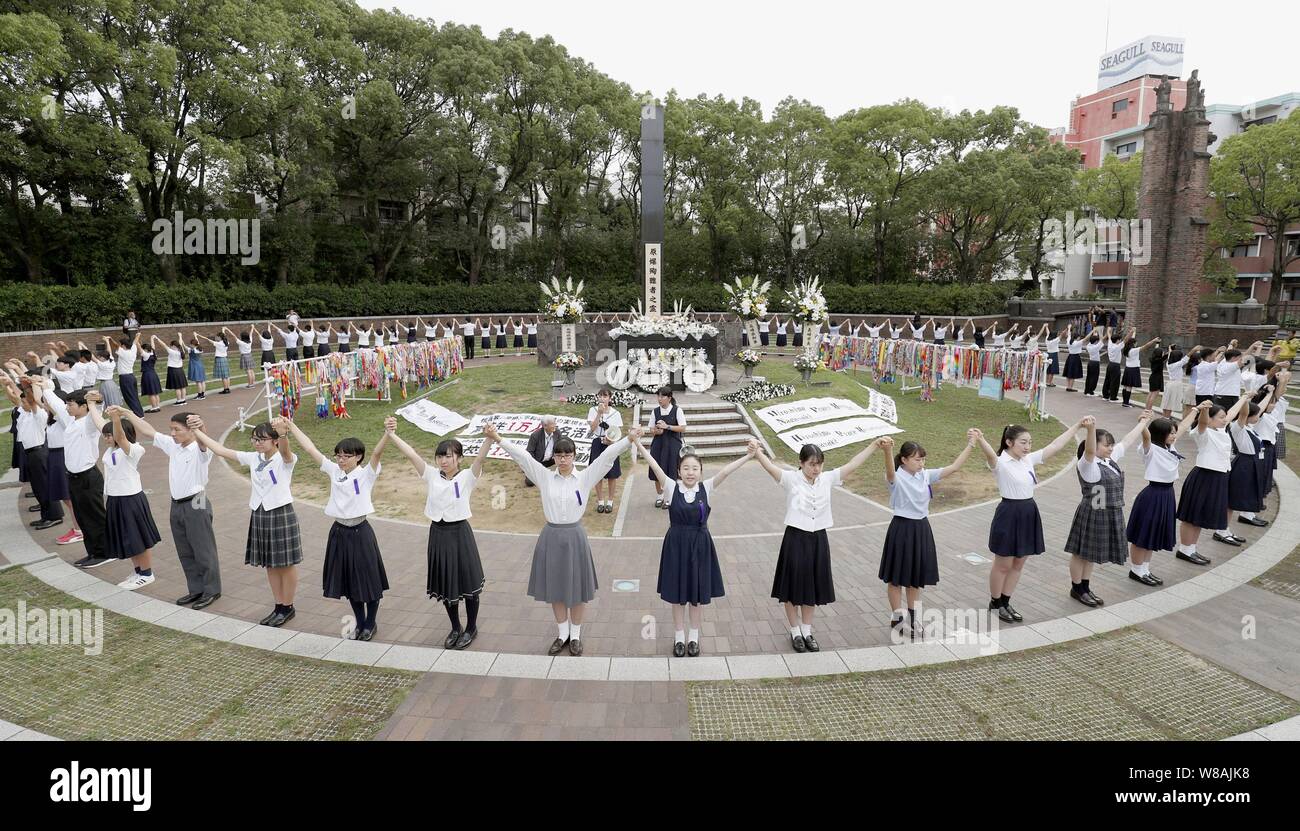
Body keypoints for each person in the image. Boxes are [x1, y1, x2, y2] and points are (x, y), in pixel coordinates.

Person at [487, 421, 641, 656]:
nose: (563, 459)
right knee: (555, 589)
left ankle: (576, 635)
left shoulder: (585, 477)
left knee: (577, 590)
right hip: (551, 536)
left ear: (573, 456)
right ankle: (562, 634)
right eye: (559, 455)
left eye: (567, 455)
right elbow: (523, 459)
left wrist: (628, 440)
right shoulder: (545, 477)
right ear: (555, 457)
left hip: (575, 537)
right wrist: (498, 438)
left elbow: (608, 456)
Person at [749, 436, 888, 652]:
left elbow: (852, 464)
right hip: (795, 538)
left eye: (819, 464)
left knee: (812, 587)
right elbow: (769, 466)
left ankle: (807, 630)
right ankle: (795, 631)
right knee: (791, 587)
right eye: (812, 464)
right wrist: (757, 450)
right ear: (802, 463)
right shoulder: (790, 479)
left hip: (818, 539)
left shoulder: (828, 479)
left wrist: (874, 445)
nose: (817, 468)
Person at [634, 436, 753, 657]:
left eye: (695, 468)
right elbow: (654, 464)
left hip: (700, 546)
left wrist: (748, 456)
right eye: (686, 468)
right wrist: (638, 443)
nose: (690, 472)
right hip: (676, 545)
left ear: (701, 471)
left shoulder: (706, 487)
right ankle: (679, 636)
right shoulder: (671, 487)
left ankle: (694, 637)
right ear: (678, 471)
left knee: (697, 595)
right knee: (678, 594)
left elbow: (726, 472)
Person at [281, 417, 391, 640]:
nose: (341, 460)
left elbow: (377, 454)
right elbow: (310, 447)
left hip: (361, 532)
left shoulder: (366, 474)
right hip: (339, 532)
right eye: (338, 455)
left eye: (346, 456)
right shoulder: (334, 471)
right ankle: (360, 623)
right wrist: (292, 427)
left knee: (369, 581)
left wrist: (388, 433)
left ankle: (370, 623)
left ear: (357, 457)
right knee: (350, 582)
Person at [387, 419, 492, 650]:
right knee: (447, 585)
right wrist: (392, 435)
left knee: (469, 584)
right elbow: (412, 454)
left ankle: (471, 627)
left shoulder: (467, 477)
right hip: (438, 534)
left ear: (459, 458)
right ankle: (455, 627)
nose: (444, 460)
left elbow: (480, 459)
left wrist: (488, 437)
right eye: (440, 456)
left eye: (449, 456)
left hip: (460, 534)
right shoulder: (432, 475)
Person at [190, 417, 303, 627]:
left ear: (274, 441)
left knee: (285, 564)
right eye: (255, 439)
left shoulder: (285, 459)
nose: (258, 443)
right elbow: (221, 450)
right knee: (270, 563)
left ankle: (288, 607)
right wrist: (197, 432)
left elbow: (286, 452)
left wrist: (283, 433)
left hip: (280, 513)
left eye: (263, 439)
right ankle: (278, 605)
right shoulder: (254, 458)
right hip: (259, 513)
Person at [973, 418, 1085, 624]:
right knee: (1003, 564)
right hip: (1009, 513)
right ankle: (995, 602)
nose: (1027, 446)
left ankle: (1006, 601)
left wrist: (1077, 426)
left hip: (1028, 511)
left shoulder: (1028, 459)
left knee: (1019, 562)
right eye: (1023, 442)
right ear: (1009, 442)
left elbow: (1055, 445)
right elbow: (989, 454)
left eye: (1030, 442)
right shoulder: (1000, 462)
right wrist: (980, 439)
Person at [880, 430, 981, 638]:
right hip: (901, 528)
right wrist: (888, 450)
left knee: (915, 579)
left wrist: (971, 444)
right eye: (917, 459)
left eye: (923, 459)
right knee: (896, 579)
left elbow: (954, 467)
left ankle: (914, 618)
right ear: (905, 459)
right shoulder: (896, 477)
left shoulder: (924, 475)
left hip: (921, 529)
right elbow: (890, 471)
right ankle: (897, 618)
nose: (921, 463)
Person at [119, 409, 223, 609]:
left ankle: (211, 590)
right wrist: (126, 413)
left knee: (203, 550)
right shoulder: (174, 446)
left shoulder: (201, 449)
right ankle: (196, 589)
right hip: (176, 504)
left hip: (196, 502)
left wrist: (200, 425)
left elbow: (203, 440)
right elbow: (148, 431)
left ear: (190, 430)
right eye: (171, 430)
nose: (172, 434)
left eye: (176, 429)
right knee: (185, 550)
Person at [1063, 413, 1149, 607]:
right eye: (1106, 445)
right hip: (1093, 511)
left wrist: (1143, 422)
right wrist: (1091, 429)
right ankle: (1077, 588)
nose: (1110, 448)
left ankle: (1085, 586)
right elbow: (1090, 450)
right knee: (1081, 553)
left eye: (1111, 444)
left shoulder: (1109, 460)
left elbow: (1127, 441)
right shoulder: (1087, 464)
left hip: (1109, 511)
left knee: (1091, 553)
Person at [36, 379, 112, 565]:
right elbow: (54, 402)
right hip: (74, 478)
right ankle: (93, 552)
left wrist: (96, 401)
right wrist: (44, 386)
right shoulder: (70, 420)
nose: (67, 407)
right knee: (83, 518)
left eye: (71, 404)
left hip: (88, 477)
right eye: (67, 404)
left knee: (95, 517)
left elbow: (97, 407)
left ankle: (105, 553)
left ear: (84, 407)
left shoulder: (89, 423)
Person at [1126, 407, 1200, 586]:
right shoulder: (1149, 449)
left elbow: (1182, 427)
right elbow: (1146, 437)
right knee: (1143, 533)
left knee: (1153, 533)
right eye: (1170, 433)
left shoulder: (1169, 447)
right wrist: (1142, 423)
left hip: (1167, 494)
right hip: (1153, 495)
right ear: (1160, 434)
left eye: (1174, 433)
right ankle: (1136, 570)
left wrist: (1196, 410)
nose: (1174, 436)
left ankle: (1145, 569)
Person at [1175, 395, 1252, 566]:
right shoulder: (1203, 433)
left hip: (1219, 477)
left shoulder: (1222, 430)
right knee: (1191, 515)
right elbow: (1202, 422)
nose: (1225, 420)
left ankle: (1191, 548)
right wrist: (1204, 410)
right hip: (1204, 476)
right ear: (1210, 419)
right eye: (1220, 417)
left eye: (1224, 417)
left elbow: (1231, 413)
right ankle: (1184, 549)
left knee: (1200, 515)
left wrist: (1244, 398)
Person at [99, 406, 162, 589]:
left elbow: (120, 438)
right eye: (105, 435)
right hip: (115, 498)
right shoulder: (111, 451)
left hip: (130, 499)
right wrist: (92, 406)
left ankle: (147, 573)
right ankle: (138, 571)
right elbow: (100, 425)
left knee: (138, 538)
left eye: (109, 435)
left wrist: (116, 418)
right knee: (128, 537)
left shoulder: (134, 450)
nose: (106, 438)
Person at [2, 375, 63, 531]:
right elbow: (18, 399)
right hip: (31, 453)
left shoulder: (39, 414)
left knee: (44, 486)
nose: (22, 403)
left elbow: (30, 400)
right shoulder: (24, 413)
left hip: (39, 453)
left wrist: (27, 387)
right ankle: (46, 515)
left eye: (25, 401)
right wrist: (10, 385)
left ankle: (54, 516)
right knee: (37, 487)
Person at [647, 386, 687, 508]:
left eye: (662, 396)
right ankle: (660, 496)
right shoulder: (655, 411)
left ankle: (669, 498)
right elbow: (651, 429)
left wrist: (667, 426)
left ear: (669, 398)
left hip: (673, 445)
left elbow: (683, 427)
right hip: (658, 445)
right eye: (658, 396)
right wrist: (656, 431)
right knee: (657, 470)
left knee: (671, 472)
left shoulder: (677, 410)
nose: (659, 399)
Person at [587, 388, 625, 514]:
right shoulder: (593, 410)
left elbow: (618, 431)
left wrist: (611, 440)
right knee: (597, 473)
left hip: (611, 444)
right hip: (598, 442)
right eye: (600, 396)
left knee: (612, 474)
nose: (602, 398)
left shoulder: (616, 413)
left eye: (605, 396)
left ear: (610, 398)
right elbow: (592, 428)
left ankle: (610, 501)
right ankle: (600, 500)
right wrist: (599, 413)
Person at [107, 332, 145, 416]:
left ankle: (138, 415)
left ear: (123, 345)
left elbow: (115, 345)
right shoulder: (132, 350)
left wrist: (110, 339)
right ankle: (139, 413)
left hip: (125, 378)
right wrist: (138, 335)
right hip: (131, 377)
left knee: (129, 397)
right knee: (134, 396)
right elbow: (135, 342)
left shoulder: (124, 353)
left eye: (121, 345)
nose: (120, 346)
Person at [1120, 331, 1159, 408]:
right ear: (1133, 344)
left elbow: (1134, 341)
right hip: (1133, 369)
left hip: (1128, 369)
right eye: (1136, 343)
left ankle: (1125, 402)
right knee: (1129, 386)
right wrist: (1154, 341)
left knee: (1125, 386)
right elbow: (1146, 346)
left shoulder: (1127, 350)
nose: (1136, 344)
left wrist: (1133, 332)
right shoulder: (1134, 350)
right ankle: (1126, 402)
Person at [523, 416, 559, 486]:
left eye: (555, 423)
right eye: (552, 424)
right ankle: (528, 470)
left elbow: (560, 445)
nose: (555, 425)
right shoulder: (535, 436)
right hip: (537, 462)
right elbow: (530, 452)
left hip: (551, 460)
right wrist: (535, 466)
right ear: (545, 426)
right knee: (529, 482)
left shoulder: (557, 432)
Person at [154, 335, 187, 405]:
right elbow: (180, 344)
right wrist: (180, 336)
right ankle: (183, 400)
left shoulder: (172, 352)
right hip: (180, 370)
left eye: (171, 345)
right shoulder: (181, 351)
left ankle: (179, 401)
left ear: (174, 346)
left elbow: (163, 345)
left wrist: (157, 338)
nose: (170, 347)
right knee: (182, 386)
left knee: (177, 387)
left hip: (173, 370)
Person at [138, 340, 163, 412]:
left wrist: (137, 340)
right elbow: (153, 347)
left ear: (145, 349)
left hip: (147, 375)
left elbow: (139, 348)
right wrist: (152, 339)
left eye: (143, 349)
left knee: (151, 392)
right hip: (153, 374)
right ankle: (157, 406)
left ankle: (154, 407)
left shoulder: (146, 355)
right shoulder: (152, 354)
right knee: (155, 392)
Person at [1083, 328, 1105, 397]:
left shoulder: (1088, 346)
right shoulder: (1096, 347)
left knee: (1089, 377)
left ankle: (1087, 390)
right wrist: (1099, 332)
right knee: (1094, 377)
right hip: (1095, 363)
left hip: (1090, 363)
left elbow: (1092, 339)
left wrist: (1095, 332)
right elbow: (1102, 340)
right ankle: (1091, 391)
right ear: (1095, 342)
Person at [1062, 325, 1084, 392]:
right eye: (1079, 337)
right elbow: (1086, 339)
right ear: (1077, 337)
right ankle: (1070, 387)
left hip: (1070, 357)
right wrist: (1092, 332)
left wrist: (1069, 328)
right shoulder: (1077, 343)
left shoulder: (1069, 341)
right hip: (1075, 357)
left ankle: (1068, 386)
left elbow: (1068, 335)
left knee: (1069, 372)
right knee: (1072, 373)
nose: (1080, 338)